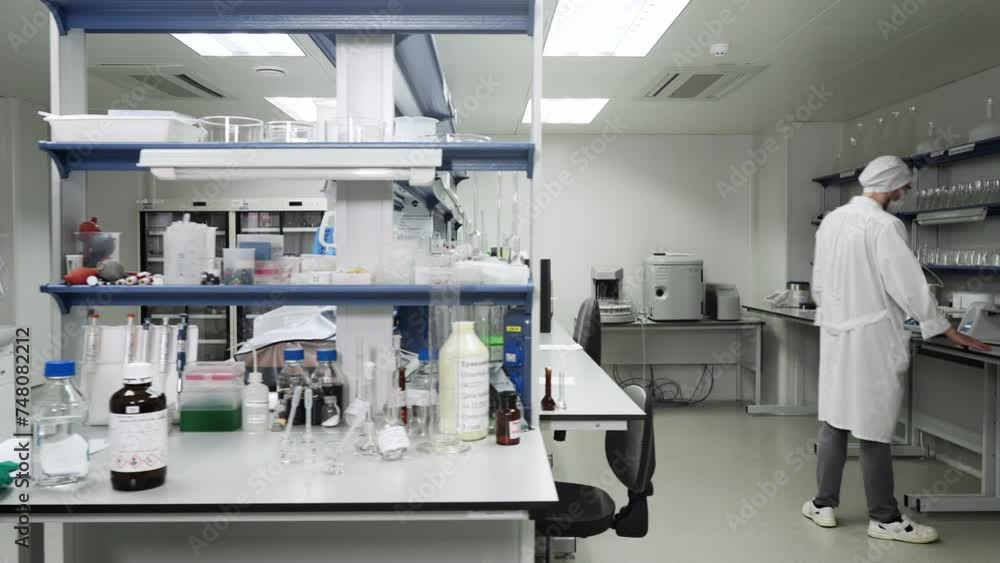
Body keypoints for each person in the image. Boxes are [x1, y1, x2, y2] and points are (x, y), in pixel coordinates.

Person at [801, 155, 990, 544]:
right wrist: (945, 328)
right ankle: (885, 518)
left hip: (836, 335)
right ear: (890, 186)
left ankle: (823, 504)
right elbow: (910, 286)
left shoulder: (833, 221)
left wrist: (841, 313)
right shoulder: (885, 226)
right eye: (904, 187)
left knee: (835, 420)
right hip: (871, 340)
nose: (905, 193)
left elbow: (819, 284)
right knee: (874, 427)